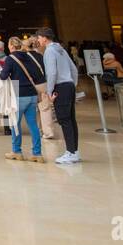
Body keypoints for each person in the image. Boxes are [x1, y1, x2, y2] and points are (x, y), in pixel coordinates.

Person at [36, 28, 79, 164]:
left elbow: (52, 73)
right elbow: (73, 68)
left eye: (39, 38)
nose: (38, 40)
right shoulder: (61, 49)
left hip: (59, 87)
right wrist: (72, 83)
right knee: (71, 119)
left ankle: (71, 153)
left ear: (44, 38)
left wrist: (49, 92)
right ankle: (74, 151)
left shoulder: (49, 51)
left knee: (64, 120)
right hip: (69, 85)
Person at [0, 37, 46, 163]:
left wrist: (1, 71)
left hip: (19, 95)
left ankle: (16, 151)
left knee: (15, 124)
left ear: (11, 46)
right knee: (33, 125)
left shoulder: (10, 58)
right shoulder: (29, 56)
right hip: (32, 94)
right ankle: (37, 153)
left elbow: (3, 76)